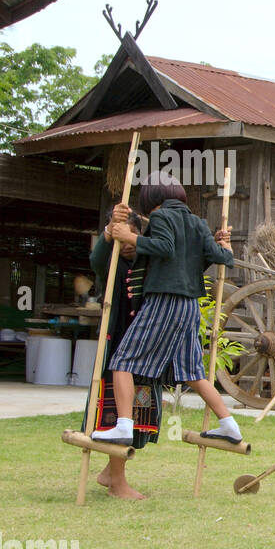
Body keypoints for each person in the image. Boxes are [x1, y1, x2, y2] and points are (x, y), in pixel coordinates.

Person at [90, 171, 242, 447]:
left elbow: (164, 247)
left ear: (152, 202)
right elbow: (223, 258)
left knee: (122, 362)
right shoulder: (197, 223)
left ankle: (123, 426)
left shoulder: (160, 216)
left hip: (165, 300)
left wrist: (130, 236)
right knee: (193, 372)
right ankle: (229, 425)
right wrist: (226, 244)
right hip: (189, 307)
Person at [86, 206, 163, 499]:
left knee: (136, 415)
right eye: (121, 235)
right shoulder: (111, 260)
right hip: (116, 347)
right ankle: (118, 481)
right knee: (117, 415)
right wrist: (109, 233)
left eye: (132, 235)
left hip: (143, 350)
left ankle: (110, 472)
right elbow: (96, 260)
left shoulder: (149, 261)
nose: (127, 243)